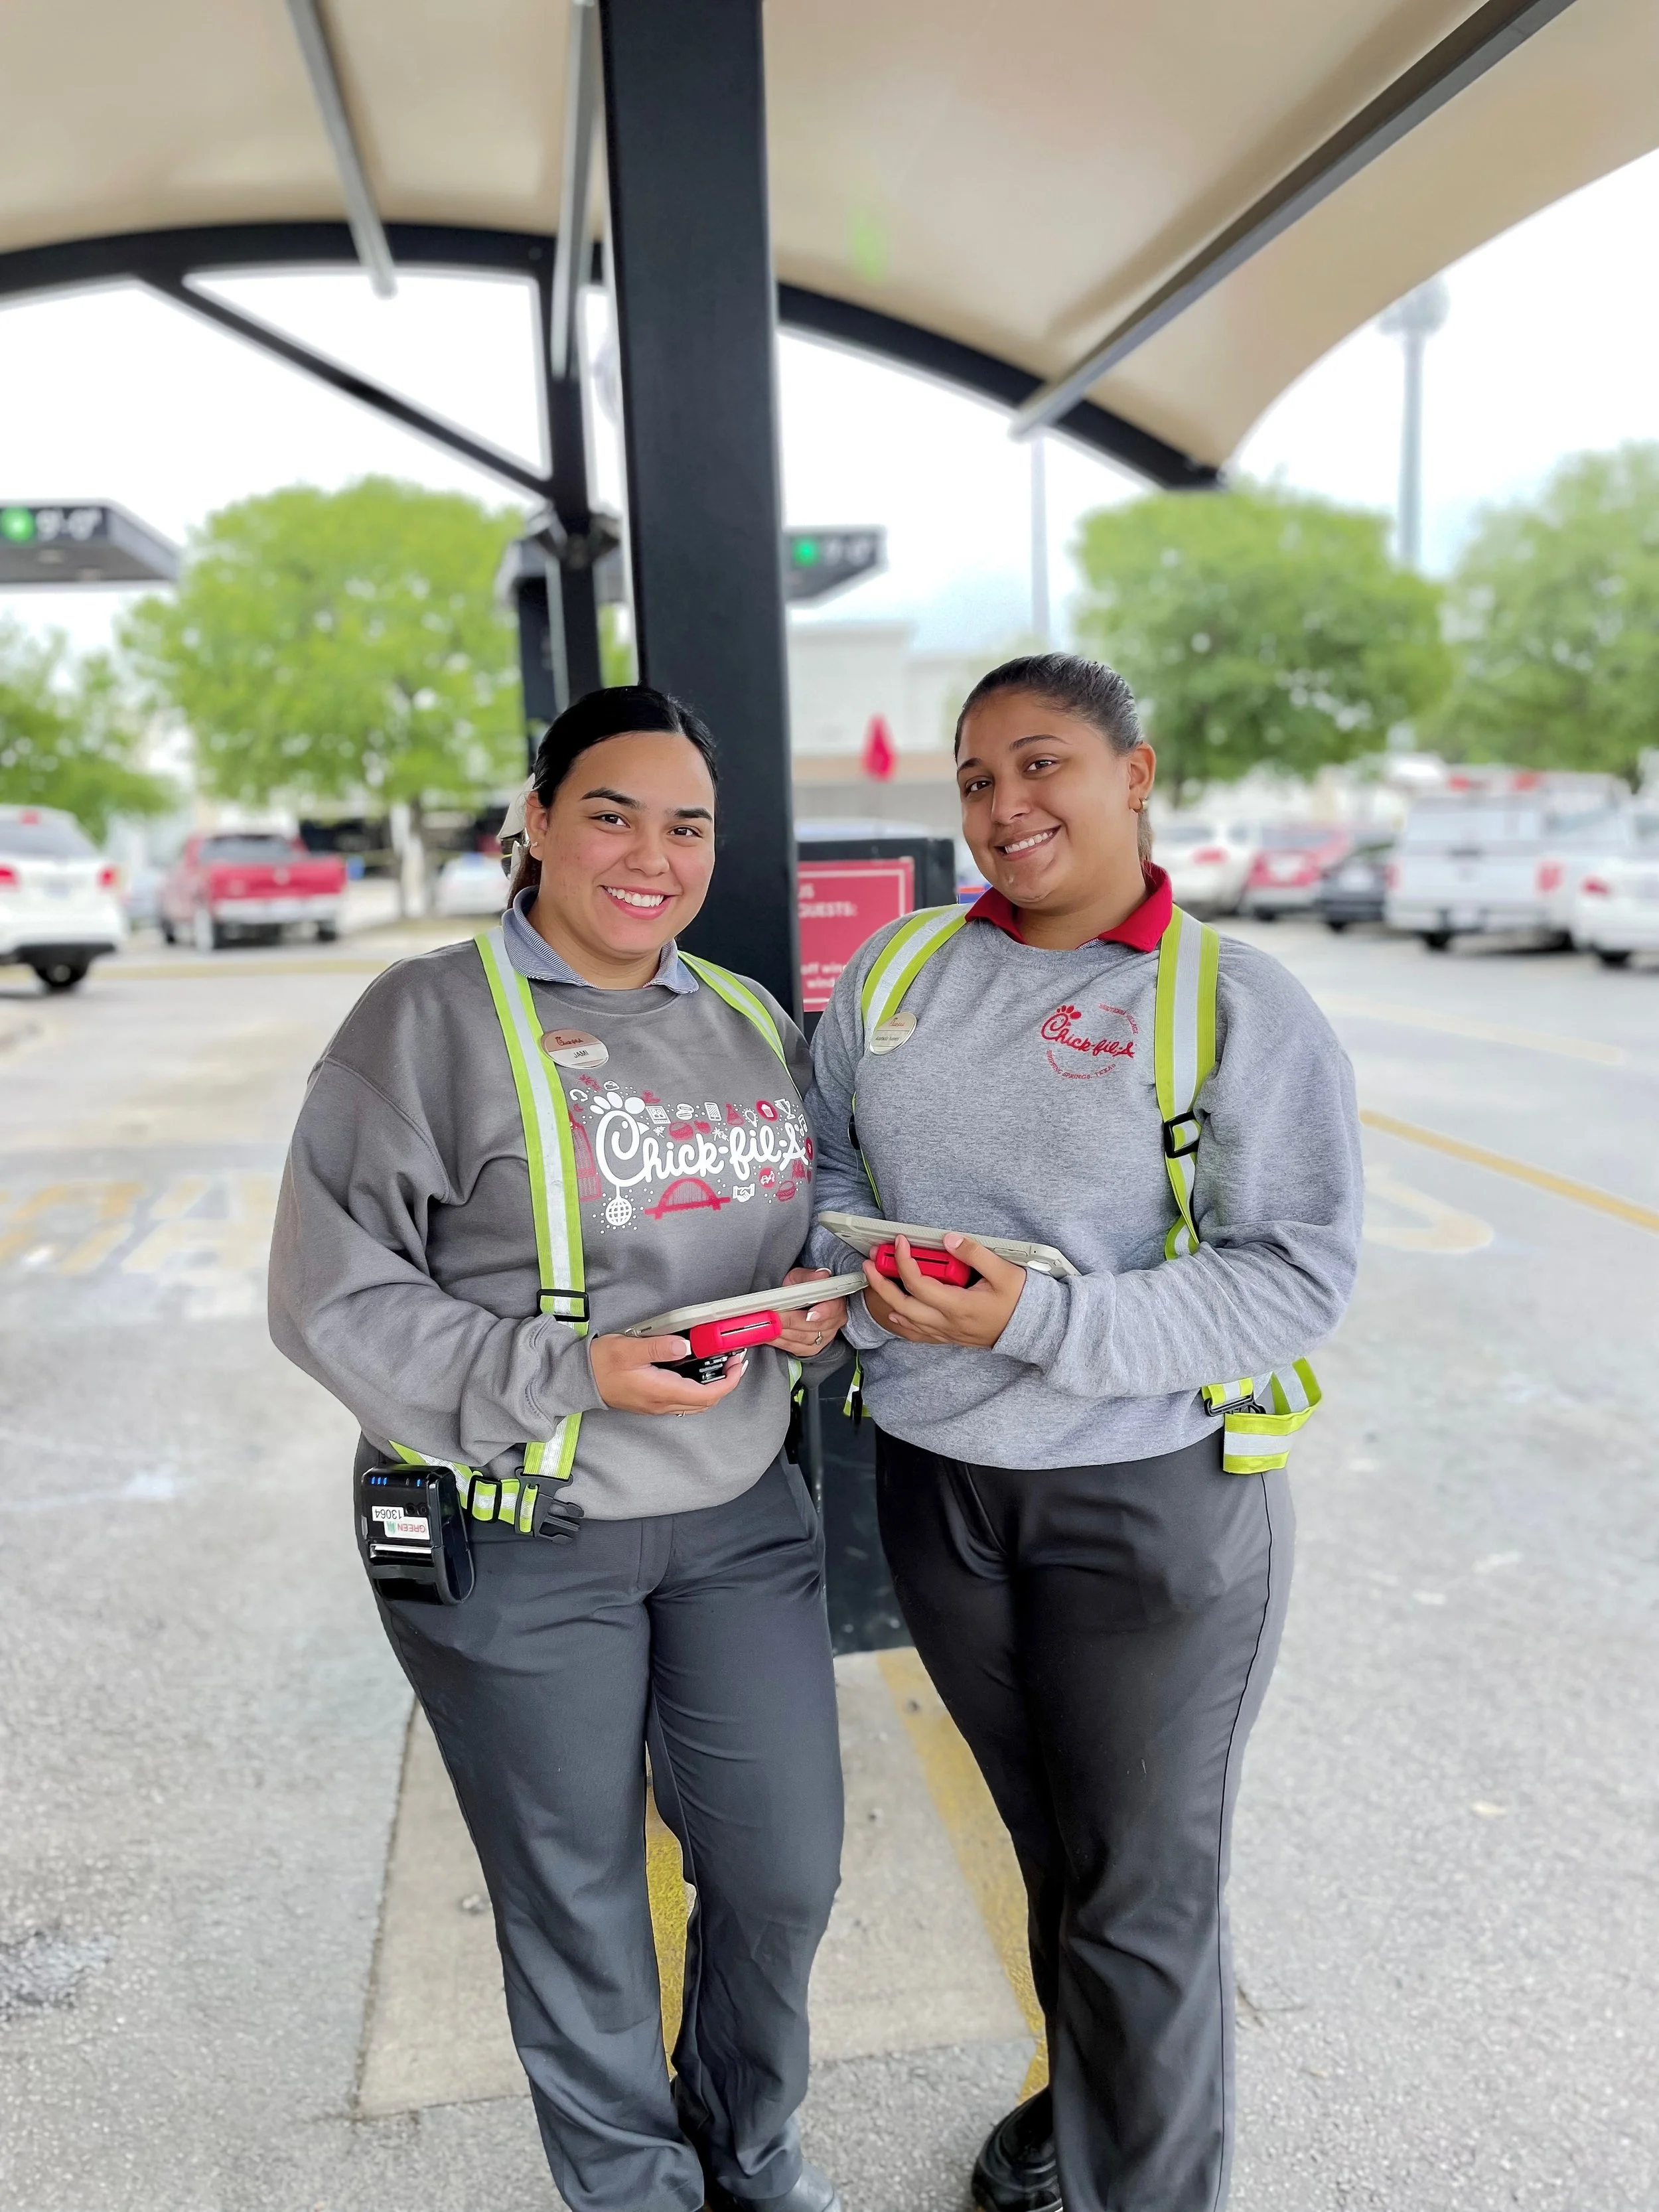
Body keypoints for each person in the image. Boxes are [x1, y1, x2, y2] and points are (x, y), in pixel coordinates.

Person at [270, 685, 850, 2212]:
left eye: (685, 823)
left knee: (782, 1870)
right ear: (533, 823)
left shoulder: (738, 1018)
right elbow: (328, 1298)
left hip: (735, 1518)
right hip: (521, 1537)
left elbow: (795, 1232)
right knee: (579, 1907)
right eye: (609, 812)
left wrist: (815, 1314)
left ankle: (747, 2155)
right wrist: (567, 1367)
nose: (648, 853)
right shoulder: (424, 1020)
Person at [807, 653, 1363, 2212]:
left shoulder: (1230, 1002)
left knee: (1142, 1896)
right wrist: (866, 1287)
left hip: (1146, 1508)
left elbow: (1293, 1275)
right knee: (1057, 1849)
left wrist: (1034, 1319)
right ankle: (1082, 2105)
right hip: (938, 1489)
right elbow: (815, 1164)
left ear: (1134, 772)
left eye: (1040, 764)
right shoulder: (900, 974)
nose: (1004, 806)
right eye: (976, 779)